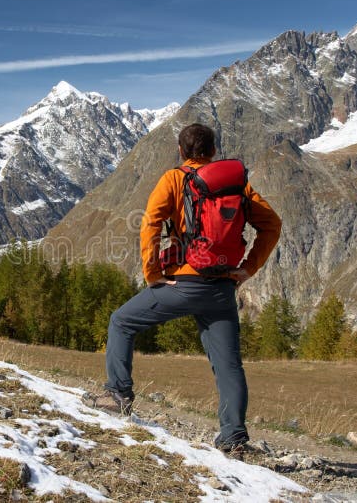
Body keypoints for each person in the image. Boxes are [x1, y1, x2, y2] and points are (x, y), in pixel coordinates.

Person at [84, 123, 281, 452]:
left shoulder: (174, 179)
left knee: (121, 321)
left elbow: (150, 223)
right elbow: (272, 224)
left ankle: (118, 395)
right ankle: (233, 437)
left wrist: (152, 273)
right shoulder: (236, 185)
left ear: (180, 150)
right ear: (213, 151)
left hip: (183, 283)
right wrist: (248, 268)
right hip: (222, 288)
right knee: (228, 364)